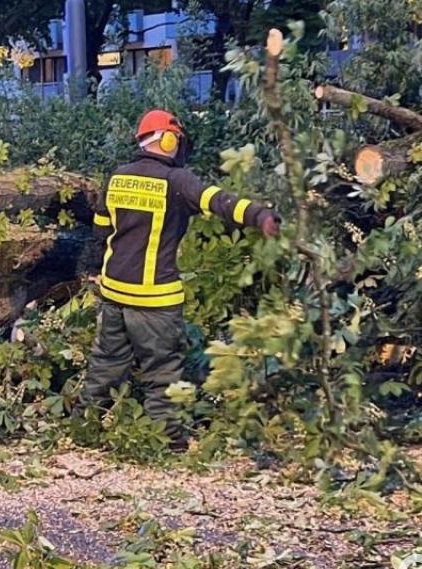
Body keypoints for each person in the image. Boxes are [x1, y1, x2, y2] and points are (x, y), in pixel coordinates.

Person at [82, 109, 281, 447]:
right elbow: (220, 202)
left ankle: (85, 428)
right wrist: (260, 215)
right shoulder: (177, 180)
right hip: (154, 299)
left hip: (113, 293)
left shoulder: (117, 177)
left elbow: (101, 230)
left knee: (106, 363)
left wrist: (90, 271)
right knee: (162, 373)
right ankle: (167, 442)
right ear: (169, 140)